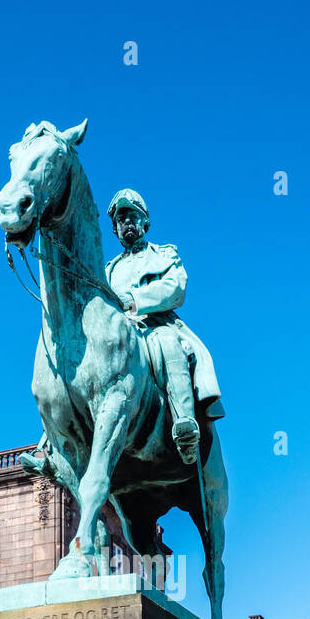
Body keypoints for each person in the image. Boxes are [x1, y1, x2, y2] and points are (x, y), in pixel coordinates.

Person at [105, 189, 224, 465]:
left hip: (155, 326)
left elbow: (175, 289)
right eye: (121, 219)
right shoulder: (108, 269)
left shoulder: (164, 254)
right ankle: (55, 443)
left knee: (170, 346)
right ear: (115, 229)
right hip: (117, 332)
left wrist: (135, 300)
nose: (127, 223)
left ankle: (185, 427)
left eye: (132, 216)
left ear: (145, 222)